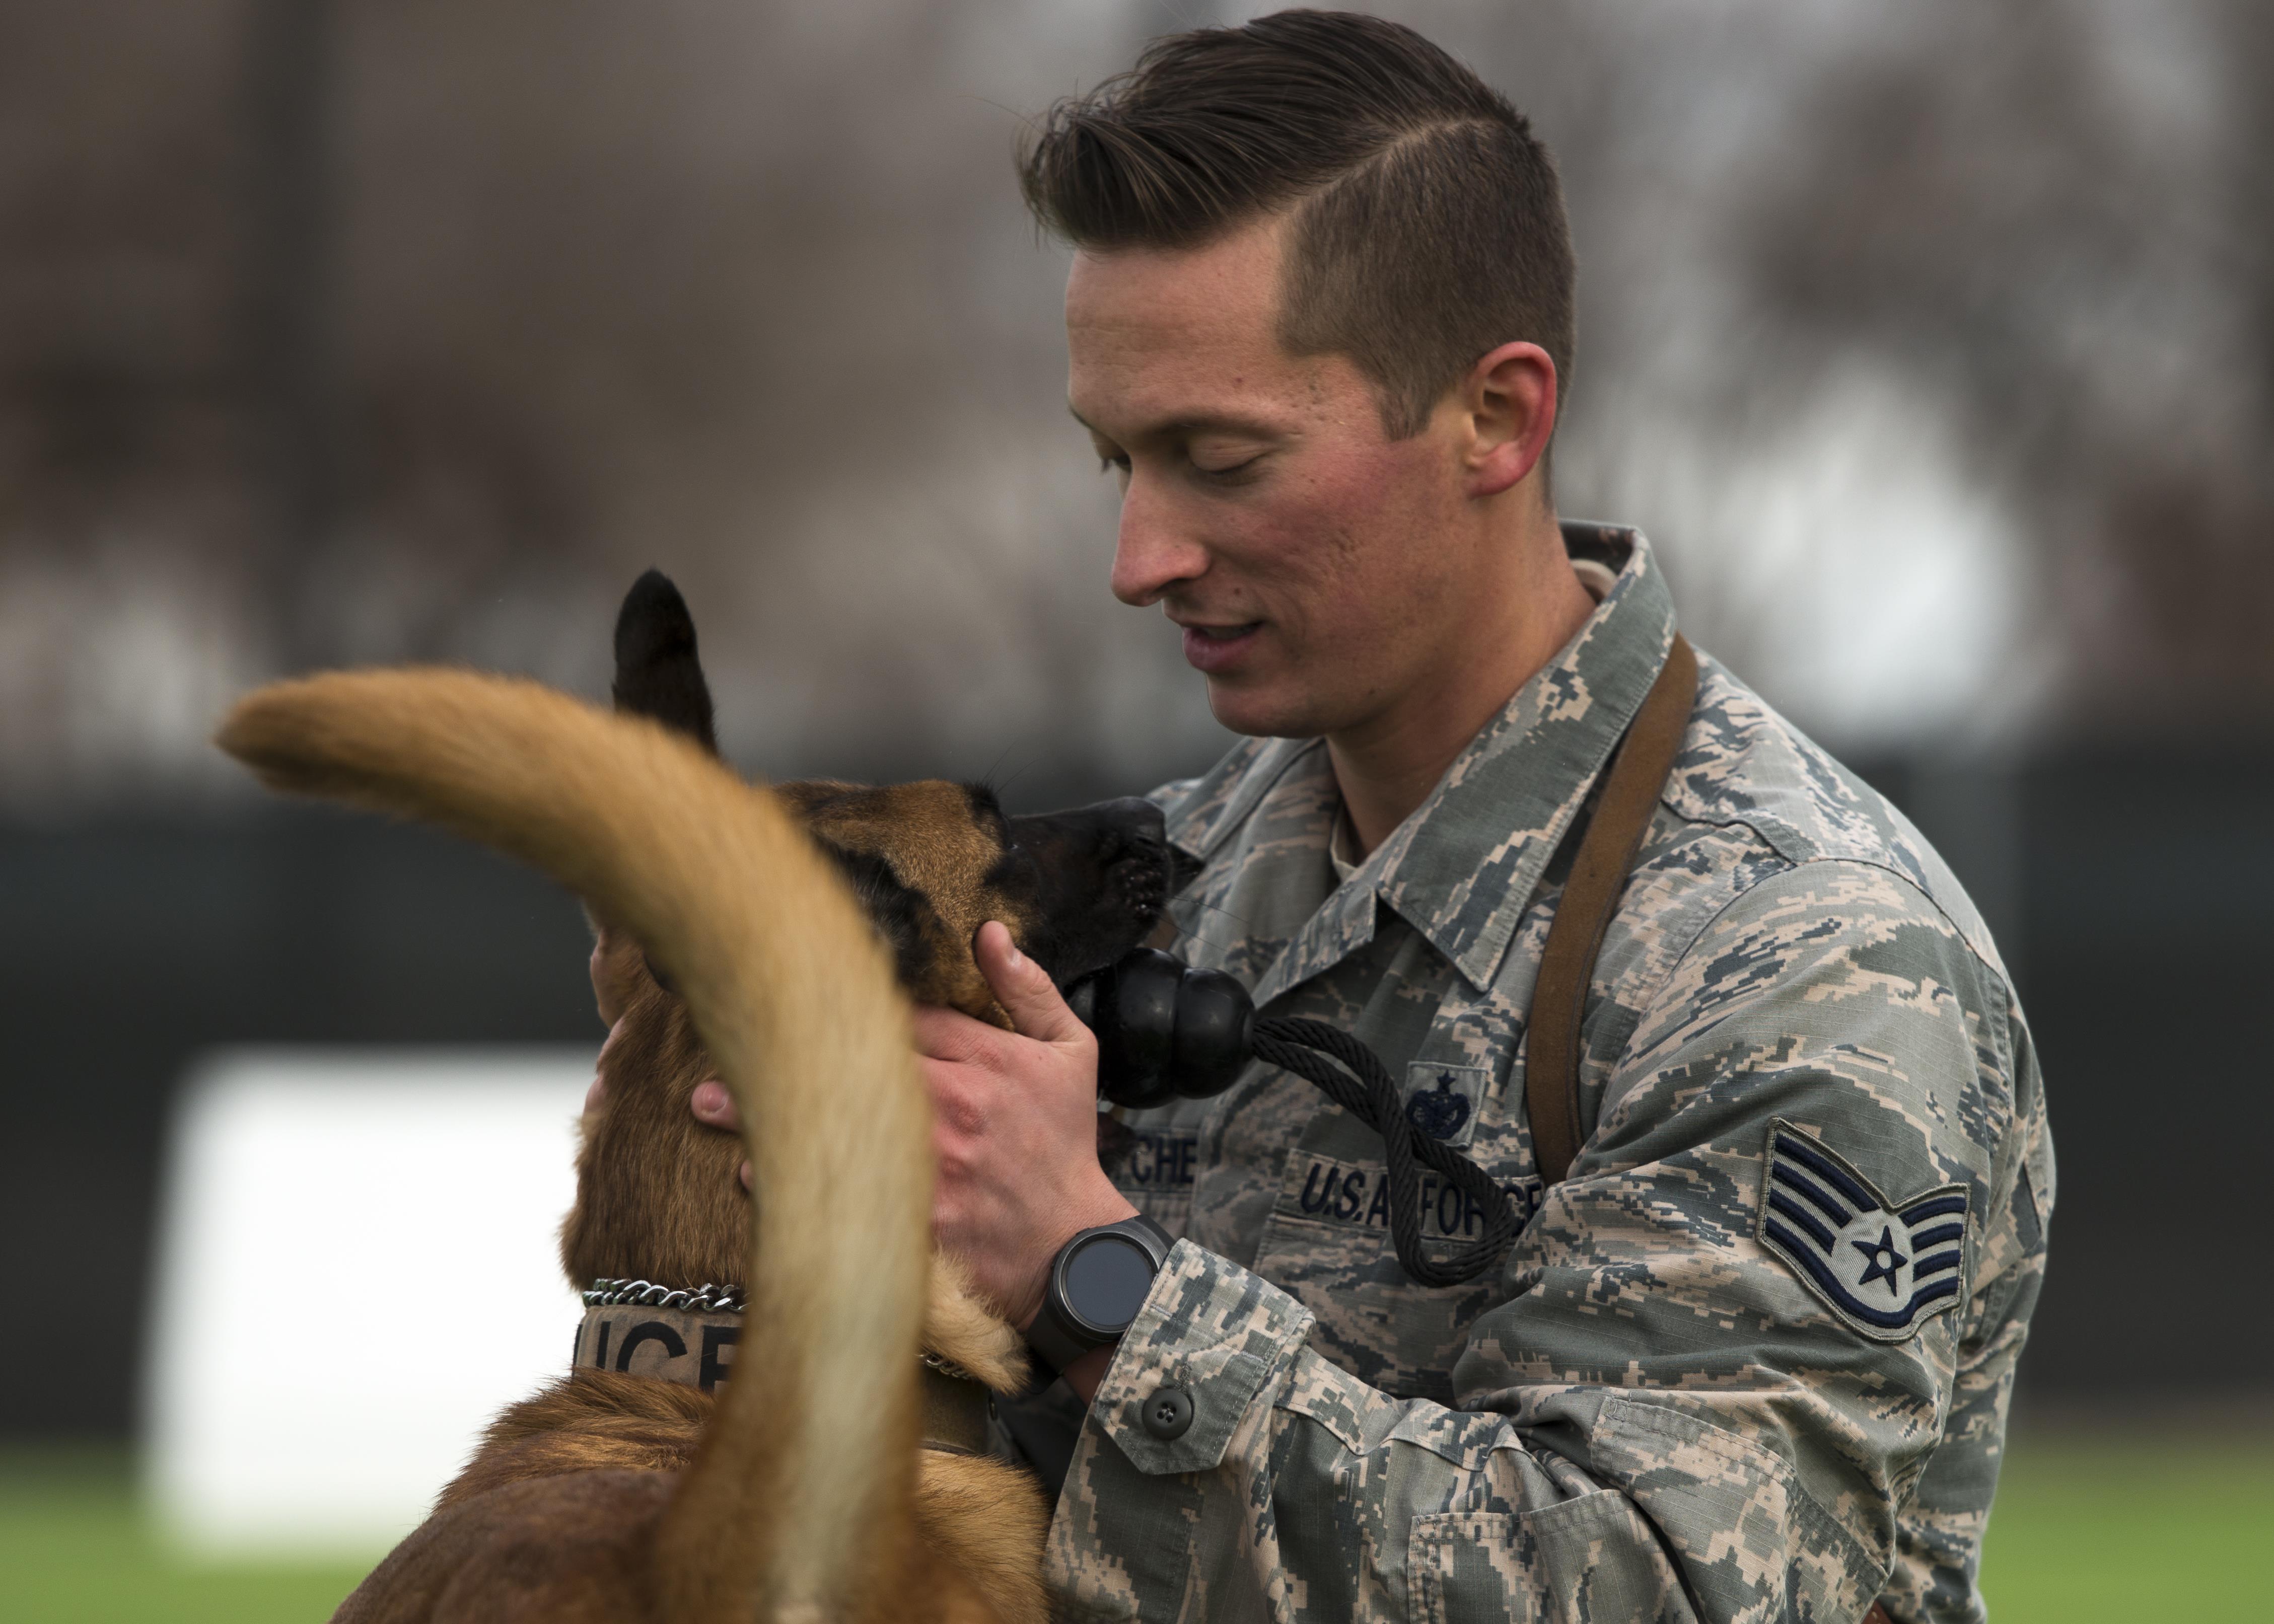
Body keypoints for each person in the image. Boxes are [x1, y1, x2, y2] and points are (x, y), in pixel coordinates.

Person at [691, 12, 2050, 1621]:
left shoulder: (1799, 957)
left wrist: (1091, 1277)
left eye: (1221, 459)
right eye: (1114, 460)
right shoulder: (1158, 890)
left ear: (1496, 417)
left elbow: (1663, 1591)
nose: (1139, 557)